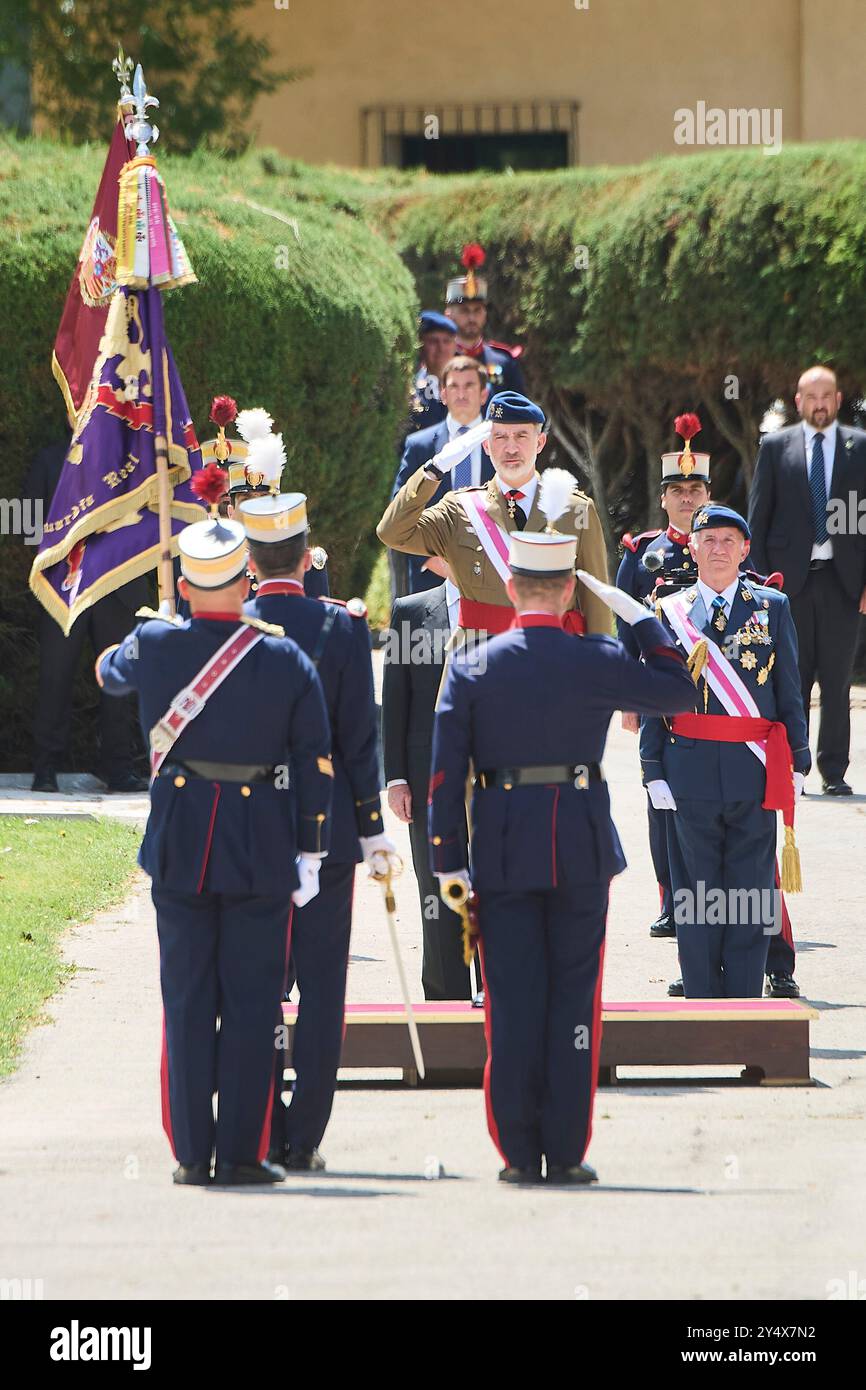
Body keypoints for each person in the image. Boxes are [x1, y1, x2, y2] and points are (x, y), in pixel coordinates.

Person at [428, 493, 697, 1184]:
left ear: (513, 587)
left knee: (512, 1004)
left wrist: (449, 866)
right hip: (577, 842)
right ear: (570, 588)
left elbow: (443, 779)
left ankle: (519, 1153)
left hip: (500, 845)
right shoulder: (598, 655)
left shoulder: (471, 667)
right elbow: (677, 692)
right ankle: (567, 1151)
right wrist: (642, 618)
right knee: (575, 1003)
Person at [95, 512, 333, 1186]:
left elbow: (106, 672)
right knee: (255, 1003)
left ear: (188, 581)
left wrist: (161, 620)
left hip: (181, 843)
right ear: (246, 576)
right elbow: (314, 759)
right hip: (260, 847)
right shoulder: (283, 655)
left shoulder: (155, 641)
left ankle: (191, 1155)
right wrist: (311, 848)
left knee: (189, 999)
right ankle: (239, 1155)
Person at [239, 488, 393, 1173]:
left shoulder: (227, 624)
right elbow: (361, 741)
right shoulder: (340, 627)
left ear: (248, 561)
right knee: (324, 987)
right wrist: (372, 832)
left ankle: (262, 1126)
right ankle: (304, 1139)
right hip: (326, 832)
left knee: (259, 983)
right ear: (306, 559)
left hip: (246, 831)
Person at [640, 506, 810, 1000]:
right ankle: (701, 997)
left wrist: (798, 759)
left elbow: (789, 689)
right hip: (686, 764)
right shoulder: (668, 609)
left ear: (744, 549)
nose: (718, 548)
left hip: (752, 768)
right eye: (708, 539)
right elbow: (656, 692)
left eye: (728, 540)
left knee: (751, 889)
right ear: (691, 548)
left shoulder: (772, 606)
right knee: (696, 889)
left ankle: (742, 998)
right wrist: (652, 767)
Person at [378, 391, 610, 639]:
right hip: (479, 663)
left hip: (552, 659)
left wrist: (600, 665)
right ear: (486, 445)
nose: (511, 447)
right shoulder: (460, 509)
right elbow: (392, 533)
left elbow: (595, 599)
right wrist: (434, 470)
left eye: (521, 436)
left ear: (540, 443)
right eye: (500, 437)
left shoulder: (574, 510)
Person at [748, 365, 866, 795]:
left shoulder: (861, 447)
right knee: (790, 680)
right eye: (811, 396)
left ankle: (834, 773)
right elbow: (758, 521)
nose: (819, 403)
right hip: (786, 587)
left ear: (838, 400)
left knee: (836, 682)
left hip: (843, 583)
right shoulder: (776, 447)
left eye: (827, 395)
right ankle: (791, 768)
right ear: (798, 402)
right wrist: (762, 585)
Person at [616, 413, 711, 939]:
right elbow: (626, 621)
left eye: (696, 489)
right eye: (677, 490)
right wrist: (629, 693)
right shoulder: (642, 552)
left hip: (716, 693)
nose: (687, 499)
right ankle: (671, 899)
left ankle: (706, 896)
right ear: (664, 498)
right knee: (660, 795)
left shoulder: (725, 544)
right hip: (656, 691)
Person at [23, 435, 148, 794]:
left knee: (120, 680)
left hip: (117, 585)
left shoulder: (134, 460)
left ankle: (118, 769)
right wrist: (53, 555)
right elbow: (21, 521)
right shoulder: (47, 458)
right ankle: (44, 770)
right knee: (54, 679)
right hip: (64, 586)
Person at [382, 574, 473, 1000]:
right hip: (429, 777)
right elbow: (396, 698)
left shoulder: (509, 600)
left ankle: (501, 999)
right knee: (437, 891)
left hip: (497, 778)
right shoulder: (412, 611)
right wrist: (397, 777)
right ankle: (447, 1003)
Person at [391, 355, 494, 594]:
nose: (461, 393)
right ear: (443, 395)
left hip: (493, 576)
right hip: (432, 579)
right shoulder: (420, 446)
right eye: (454, 386)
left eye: (469, 386)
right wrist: (433, 562)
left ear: (483, 395)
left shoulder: (501, 443)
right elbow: (401, 507)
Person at [445, 243, 526, 394]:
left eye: (477, 310)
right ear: (449, 315)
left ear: (485, 314)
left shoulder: (504, 361)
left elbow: (519, 412)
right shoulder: (441, 361)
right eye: (464, 311)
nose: (471, 317)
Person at [404, 310, 458, 437]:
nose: (441, 348)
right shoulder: (410, 389)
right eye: (434, 341)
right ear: (421, 345)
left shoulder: (467, 387)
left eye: (447, 341)